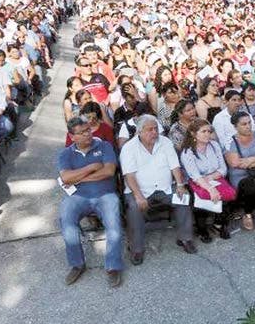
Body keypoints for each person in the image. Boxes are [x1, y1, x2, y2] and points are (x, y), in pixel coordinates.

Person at [57, 117, 124, 288]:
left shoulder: (104, 146)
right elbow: (65, 177)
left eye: (88, 130)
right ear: (72, 137)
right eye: (82, 132)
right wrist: (91, 167)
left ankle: (113, 267)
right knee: (66, 216)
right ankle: (77, 264)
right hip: (78, 198)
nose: (88, 134)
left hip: (105, 194)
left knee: (113, 224)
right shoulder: (66, 154)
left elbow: (109, 171)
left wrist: (78, 179)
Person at [120, 115, 196, 262]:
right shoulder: (129, 148)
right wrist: (138, 196)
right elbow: (129, 176)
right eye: (150, 130)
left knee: (183, 198)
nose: (154, 132)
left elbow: (175, 166)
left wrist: (180, 185)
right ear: (139, 132)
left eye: (155, 129)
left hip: (165, 188)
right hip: (140, 191)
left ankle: (185, 238)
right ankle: (137, 248)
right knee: (134, 207)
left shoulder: (165, 142)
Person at [180, 119, 235, 243]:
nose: (207, 134)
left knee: (227, 195)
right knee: (202, 198)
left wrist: (210, 178)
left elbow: (223, 169)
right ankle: (202, 229)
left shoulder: (214, 145)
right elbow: (195, 176)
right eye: (203, 131)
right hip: (197, 181)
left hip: (214, 177)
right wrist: (210, 188)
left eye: (209, 131)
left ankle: (219, 223)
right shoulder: (188, 151)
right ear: (194, 134)